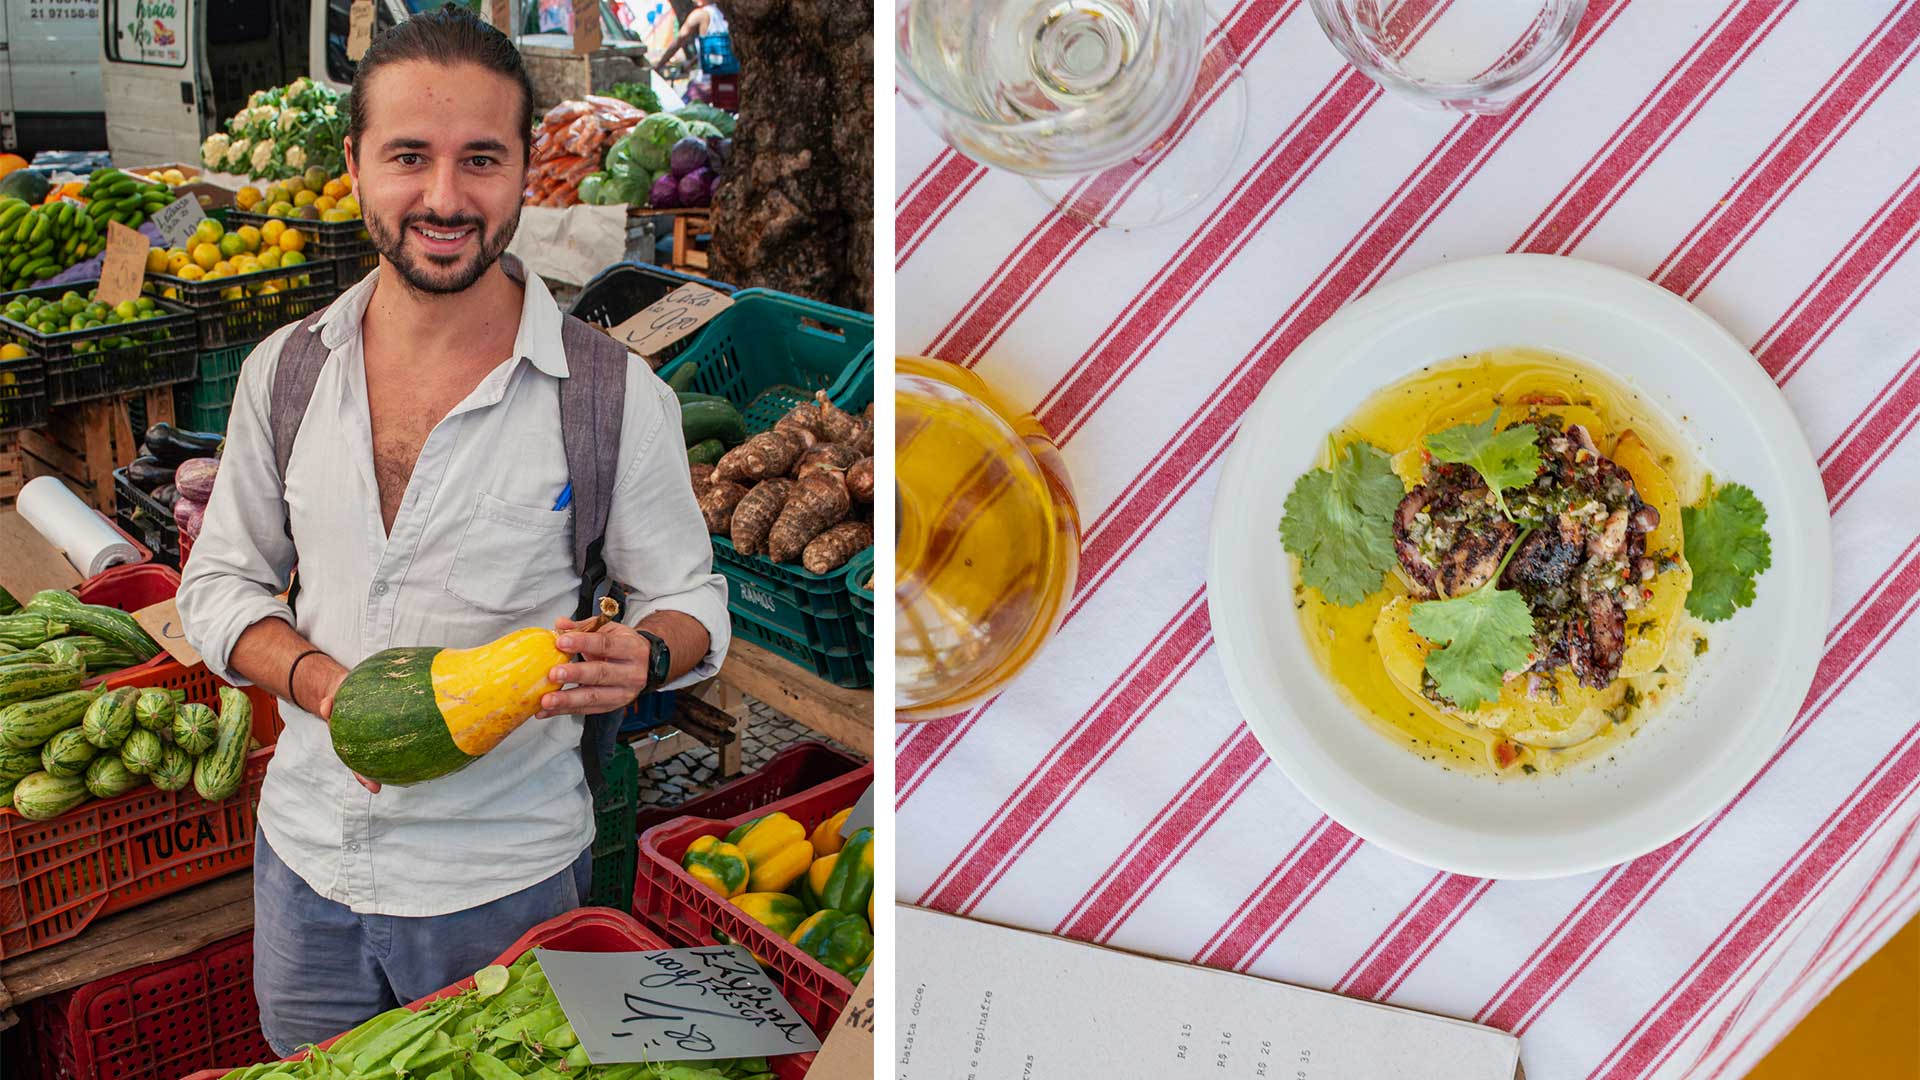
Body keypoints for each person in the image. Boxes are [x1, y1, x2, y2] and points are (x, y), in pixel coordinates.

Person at [176, 5, 729, 1055]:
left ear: (527, 169)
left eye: (481, 158)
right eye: (408, 157)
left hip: (504, 883)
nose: (443, 197)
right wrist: (329, 691)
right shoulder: (285, 372)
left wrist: (649, 653)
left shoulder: (613, 397)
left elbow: (694, 601)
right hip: (304, 871)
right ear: (354, 165)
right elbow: (218, 587)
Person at [654, 0, 728, 84]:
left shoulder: (700, 14)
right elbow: (711, 47)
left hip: (708, 81)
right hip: (729, 75)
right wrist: (691, 63)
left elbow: (678, 41)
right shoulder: (723, 13)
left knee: (686, 97)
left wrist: (659, 65)